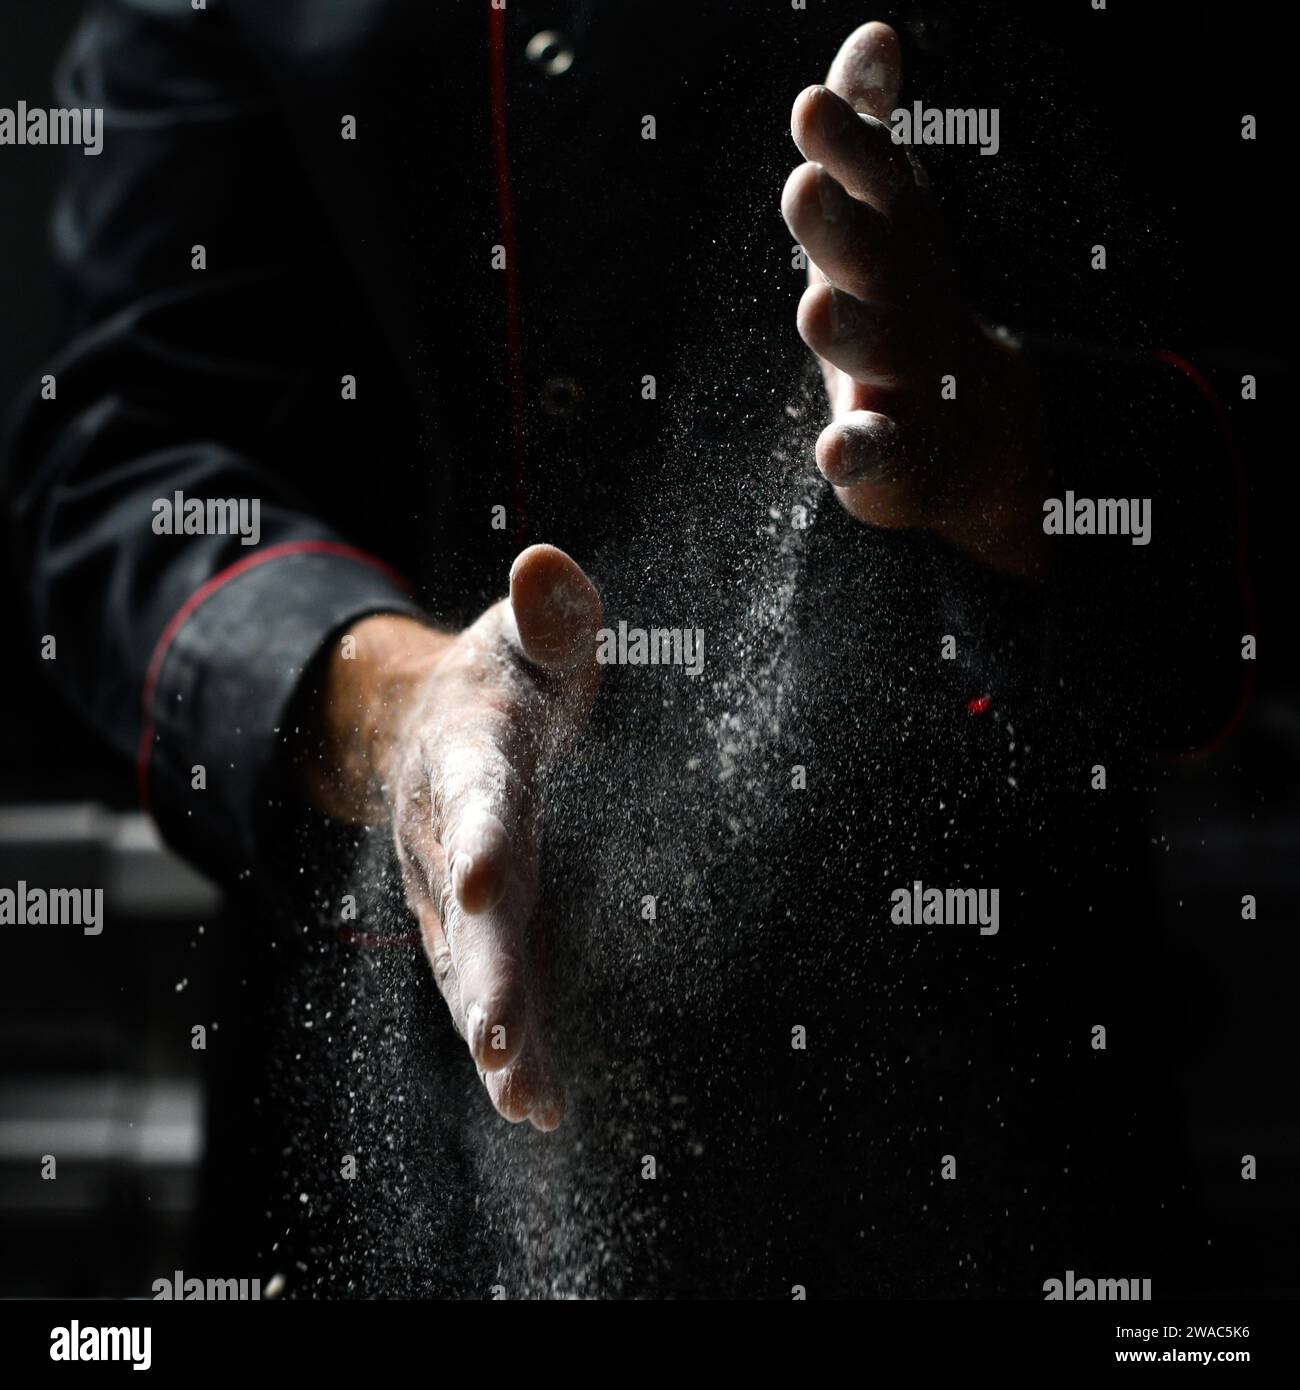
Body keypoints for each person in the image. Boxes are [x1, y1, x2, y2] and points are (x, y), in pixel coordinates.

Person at [4, 2, 1241, 1296]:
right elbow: (119, 468)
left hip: (981, 1135)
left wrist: (1012, 449)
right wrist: (394, 710)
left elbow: (1238, 360)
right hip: (387, 1134)